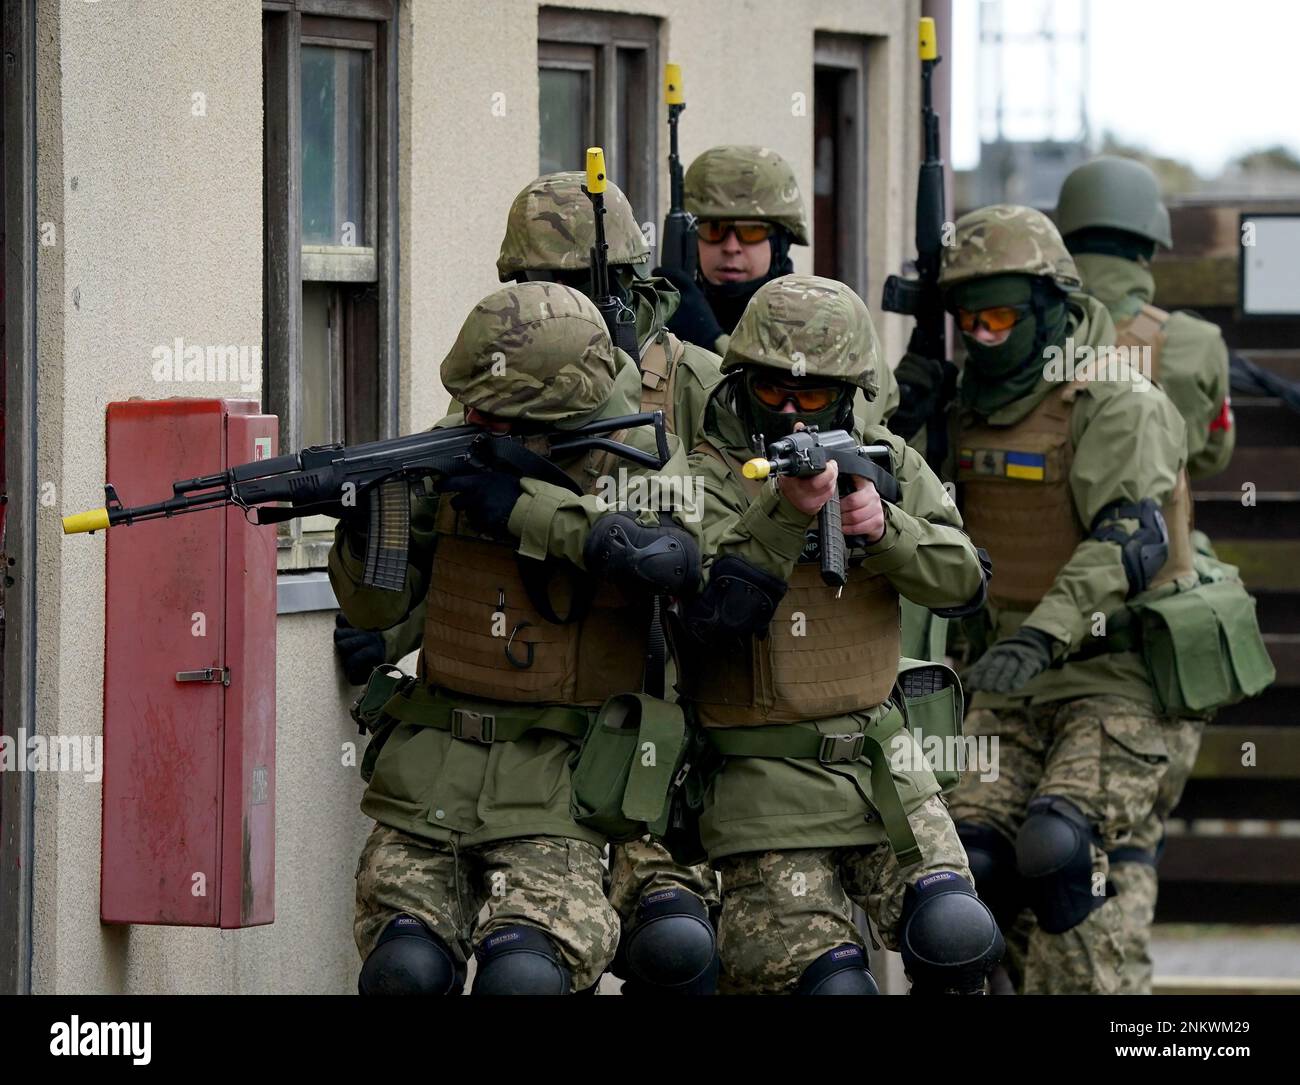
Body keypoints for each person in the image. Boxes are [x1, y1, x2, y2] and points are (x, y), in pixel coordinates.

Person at [337, 172, 726, 995]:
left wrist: (524, 506)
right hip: (440, 759)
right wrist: (368, 525)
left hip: (596, 748)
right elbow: (388, 602)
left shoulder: (657, 417)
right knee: (404, 970)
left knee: (570, 965)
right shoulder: (475, 415)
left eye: (571, 287)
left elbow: (678, 557)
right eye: (529, 286)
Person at [674, 273, 1001, 995]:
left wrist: (889, 531)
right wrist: (786, 512)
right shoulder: (699, 475)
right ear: (740, 381)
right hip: (758, 779)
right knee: (829, 987)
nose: (792, 412)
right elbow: (708, 613)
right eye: (773, 391)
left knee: (960, 940)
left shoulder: (888, 461)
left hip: (881, 764)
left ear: (849, 395)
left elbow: (965, 582)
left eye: (815, 397)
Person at [937, 204, 1195, 995]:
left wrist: (1043, 635)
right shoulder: (967, 400)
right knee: (967, 868)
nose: (981, 334)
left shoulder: (1117, 400)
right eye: (966, 319)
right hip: (1005, 674)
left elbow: (1125, 540)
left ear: (1049, 308)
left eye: (1001, 316)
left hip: (1117, 669)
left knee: (1058, 849)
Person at [1056, 155, 1236, 994]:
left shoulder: (1023, 329)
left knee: (1029, 870)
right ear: (1150, 242)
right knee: (1119, 850)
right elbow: (1212, 451)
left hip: (1025, 632)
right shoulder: (1190, 342)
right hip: (1148, 631)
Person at [654, 144, 899, 427]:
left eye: (752, 231)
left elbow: (829, 434)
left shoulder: (833, 322)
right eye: (714, 229)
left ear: (781, 240)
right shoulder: (677, 310)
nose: (731, 246)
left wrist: (711, 343)